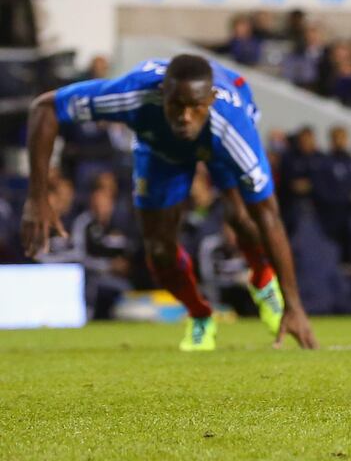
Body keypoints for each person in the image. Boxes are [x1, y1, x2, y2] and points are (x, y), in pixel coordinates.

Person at [21, 54, 317, 351]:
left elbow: (269, 216)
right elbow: (45, 108)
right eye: (177, 104)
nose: (185, 116)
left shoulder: (233, 128)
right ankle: (201, 315)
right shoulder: (131, 95)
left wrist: (295, 306)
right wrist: (37, 197)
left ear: (210, 100)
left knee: (243, 216)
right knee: (159, 250)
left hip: (215, 142)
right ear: (163, 93)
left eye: (195, 107)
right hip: (160, 149)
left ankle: (264, 281)